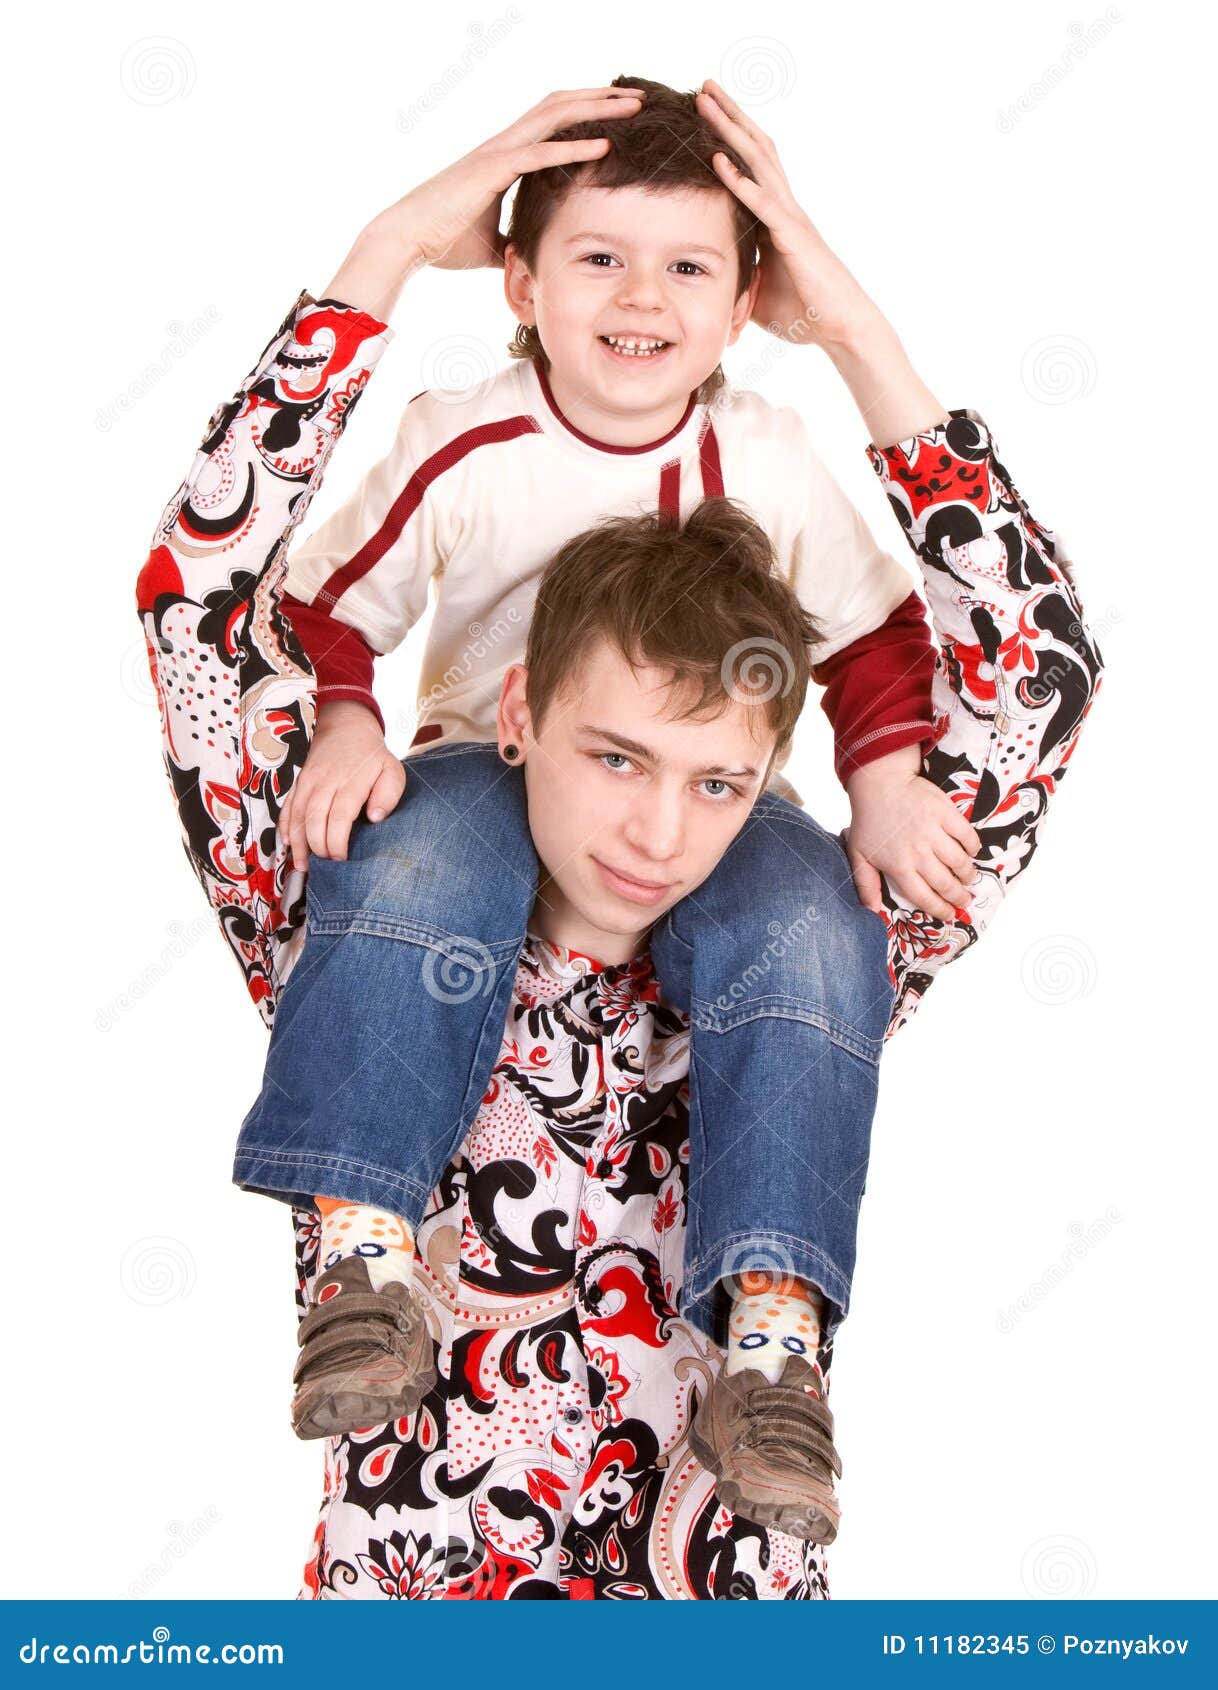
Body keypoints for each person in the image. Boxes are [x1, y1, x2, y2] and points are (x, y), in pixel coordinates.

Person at [136, 100, 1103, 1598]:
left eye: (718, 780)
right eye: (614, 758)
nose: (660, 831)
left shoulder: (818, 945)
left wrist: (847, 325)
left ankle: (776, 1345)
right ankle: (359, 1256)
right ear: (523, 712)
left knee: (799, 907)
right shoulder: (350, 897)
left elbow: (1035, 662)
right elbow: (201, 594)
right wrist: (385, 253)